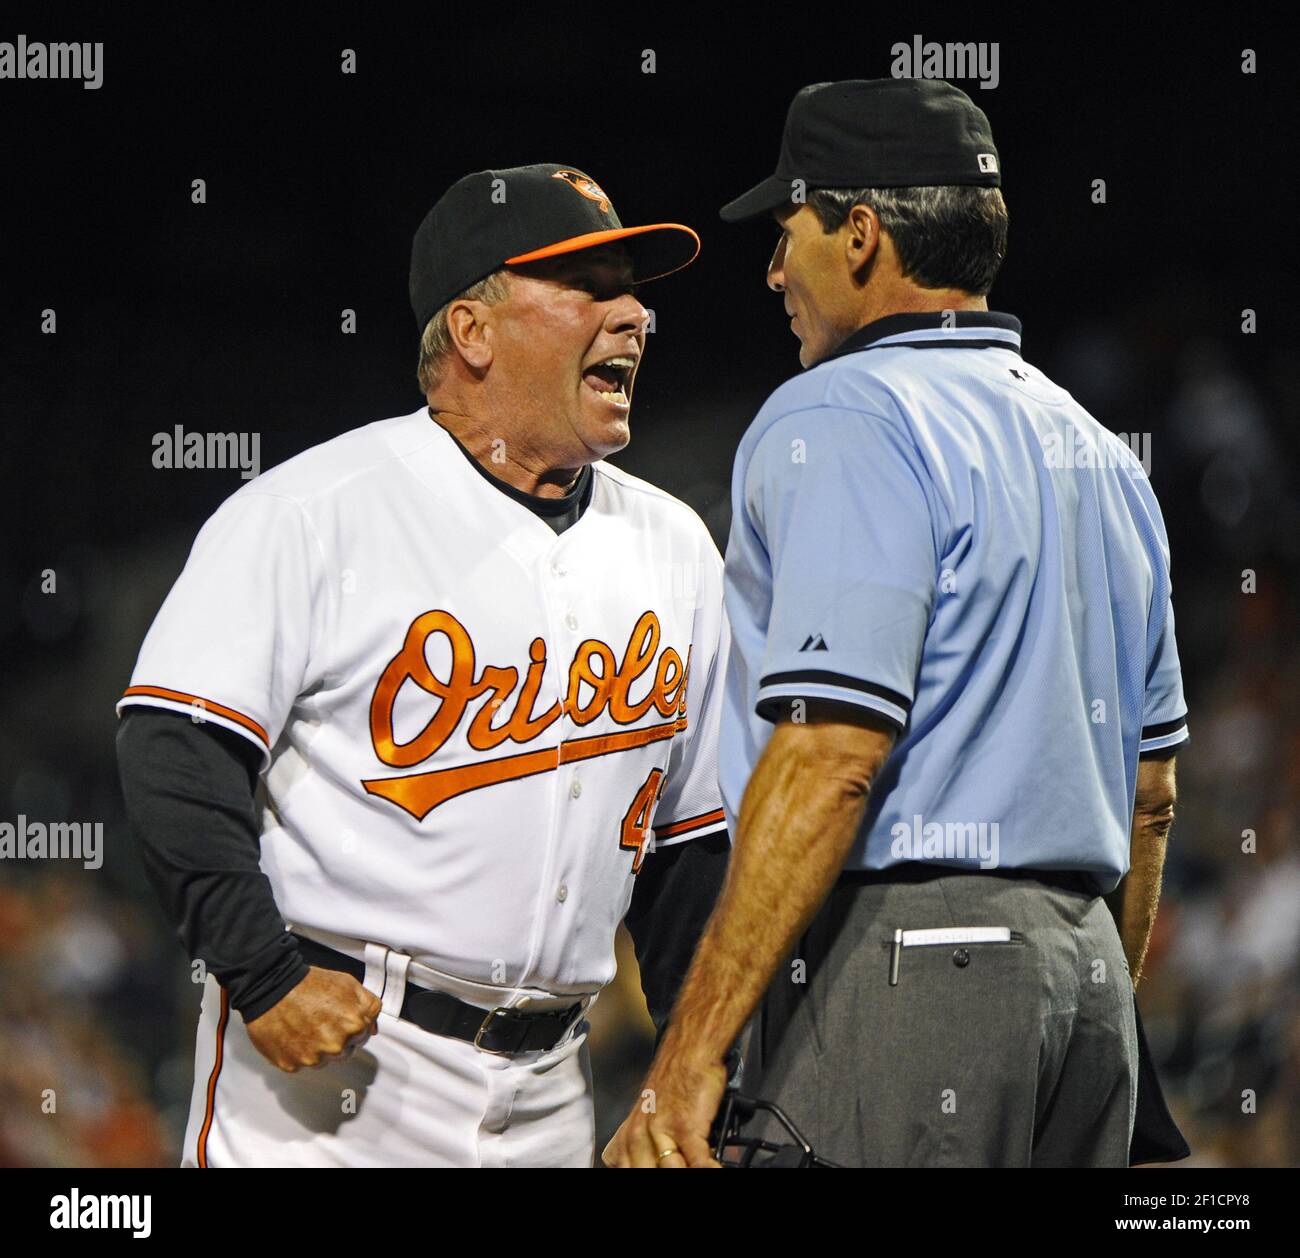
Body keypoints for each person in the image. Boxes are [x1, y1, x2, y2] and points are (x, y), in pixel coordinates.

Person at [604, 79, 1188, 1168]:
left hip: (908, 966)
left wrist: (687, 1059)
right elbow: (1150, 800)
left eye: (789, 231)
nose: (774, 267)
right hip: (1090, 981)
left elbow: (830, 754)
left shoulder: (844, 411)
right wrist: (1085, 1003)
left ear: (860, 234)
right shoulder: (1101, 453)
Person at [115, 163, 731, 1167]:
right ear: (472, 331)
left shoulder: (672, 544)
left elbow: (688, 852)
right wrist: (262, 974)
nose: (632, 315)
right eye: (587, 286)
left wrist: (699, 1067)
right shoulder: (319, 510)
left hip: (553, 1087)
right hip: (337, 1075)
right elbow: (174, 745)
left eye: (633, 290)